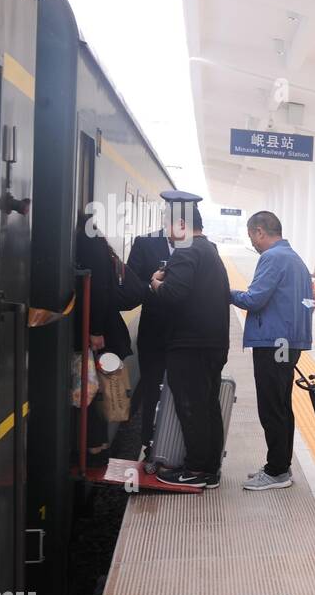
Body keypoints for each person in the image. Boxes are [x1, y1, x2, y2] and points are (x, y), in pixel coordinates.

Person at [147, 195, 231, 488]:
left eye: (168, 225)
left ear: (182, 224)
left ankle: (196, 470)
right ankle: (209, 469)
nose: (167, 232)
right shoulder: (208, 249)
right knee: (207, 406)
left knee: (191, 406)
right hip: (212, 343)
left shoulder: (186, 251)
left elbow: (174, 294)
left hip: (191, 344)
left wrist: (156, 284)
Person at [231, 211, 313, 491]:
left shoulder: (273, 258)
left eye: (251, 236)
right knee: (280, 405)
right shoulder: (294, 259)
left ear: (259, 231)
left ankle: (277, 471)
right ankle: (279, 466)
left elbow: (254, 300)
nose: (252, 242)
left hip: (274, 343)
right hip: (288, 342)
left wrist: (226, 292)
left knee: (271, 407)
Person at [73, 214, 135, 463]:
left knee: (89, 392)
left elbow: (97, 289)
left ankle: (95, 452)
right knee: (92, 391)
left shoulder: (86, 244)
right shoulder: (97, 243)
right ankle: (96, 447)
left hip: (98, 333)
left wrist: (95, 330)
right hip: (104, 331)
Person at [126, 191, 181, 454]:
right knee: (151, 389)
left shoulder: (201, 247)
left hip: (184, 336)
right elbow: (131, 286)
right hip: (153, 334)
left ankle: (176, 446)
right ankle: (149, 444)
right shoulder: (144, 244)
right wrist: (151, 283)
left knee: (182, 392)